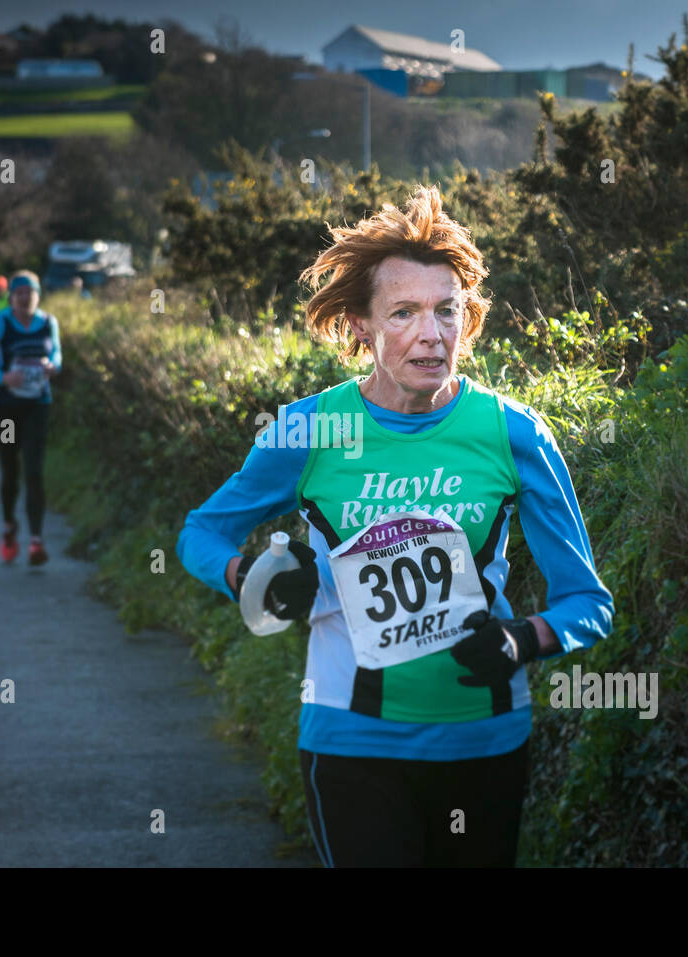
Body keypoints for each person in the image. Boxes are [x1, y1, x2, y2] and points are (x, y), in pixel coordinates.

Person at [175, 186, 614, 867]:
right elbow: (200, 533)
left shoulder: (514, 431)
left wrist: (524, 639)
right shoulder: (311, 429)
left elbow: (588, 603)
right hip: (351, 739)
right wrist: (247, 578)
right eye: (404, 312)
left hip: (485, 739)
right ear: (360, 326)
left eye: (447, 311)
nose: (432, 334)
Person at [0, 271, 62, 565]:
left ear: (38, 295)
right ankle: (9, 525)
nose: (25, 297)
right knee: (11, 469)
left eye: (30, 292)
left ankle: (36, 541)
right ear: (12, 297)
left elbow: (58, 355)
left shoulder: (48, 323)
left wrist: (52, 366)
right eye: (19, 292)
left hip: (37, 405)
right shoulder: (2, 323)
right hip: (6, 410)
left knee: (34, 471)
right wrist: (2, 377)